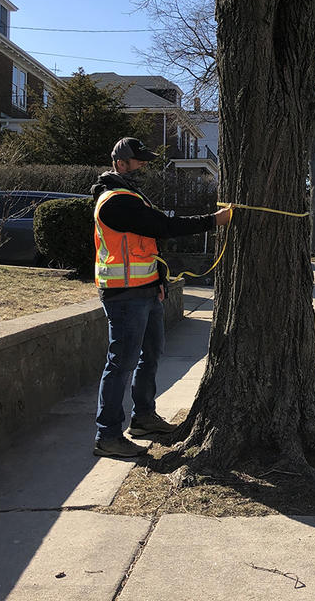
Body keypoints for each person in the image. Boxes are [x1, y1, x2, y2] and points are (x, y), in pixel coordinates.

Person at [91, 137, 232, 458]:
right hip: (124, 295)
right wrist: (214, 221)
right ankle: (108, 435)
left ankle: (143, 419)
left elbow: (143, 244)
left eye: (145, 161)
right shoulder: (115, 201)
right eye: (138, 161)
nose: (143, 166)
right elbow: (163, 227)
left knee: (150, 355)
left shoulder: (132, 196)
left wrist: (157, 281)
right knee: (121, 364)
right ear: (120, 163)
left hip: (144, 290)